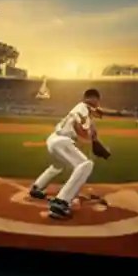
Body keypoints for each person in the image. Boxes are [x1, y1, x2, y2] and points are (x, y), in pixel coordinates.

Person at [29, 88, 109, 220]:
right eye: (97, 101)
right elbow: (80, 123)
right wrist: (89, 137)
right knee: (85, 164)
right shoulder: (83, 108)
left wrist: (93, 136)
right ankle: (61, 202)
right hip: (62, 141)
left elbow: (89, 119)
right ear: (94, 99)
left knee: (58, 165)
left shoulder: (83, 108)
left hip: (53, 139)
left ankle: (37, 187)